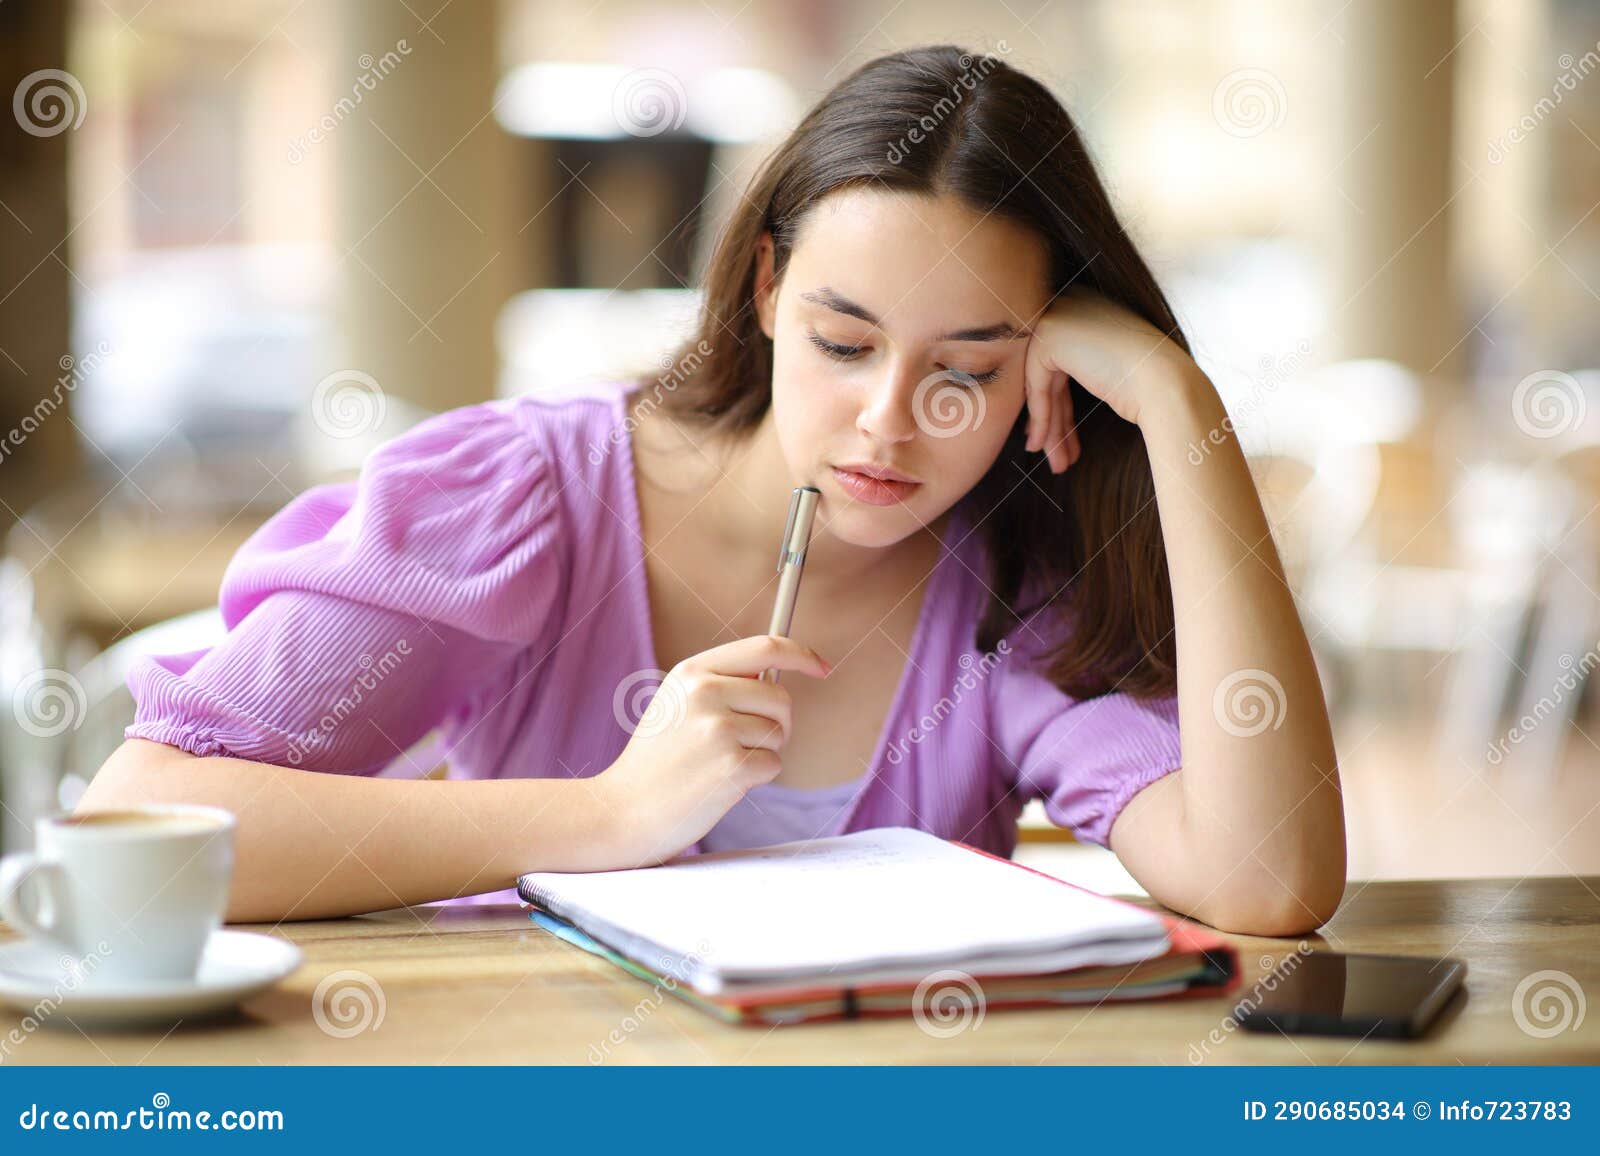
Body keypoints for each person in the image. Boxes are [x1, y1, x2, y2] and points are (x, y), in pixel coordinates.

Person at [82, 45, 1345, 931]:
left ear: (1042, 371)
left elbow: (1267, 882)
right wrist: (609, 812)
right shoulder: (525, 501)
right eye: (843, 343)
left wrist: (1185, 408)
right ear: (761, 290)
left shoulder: (1010, 585)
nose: (888, 423)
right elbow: (145, 824)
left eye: (967, 368)